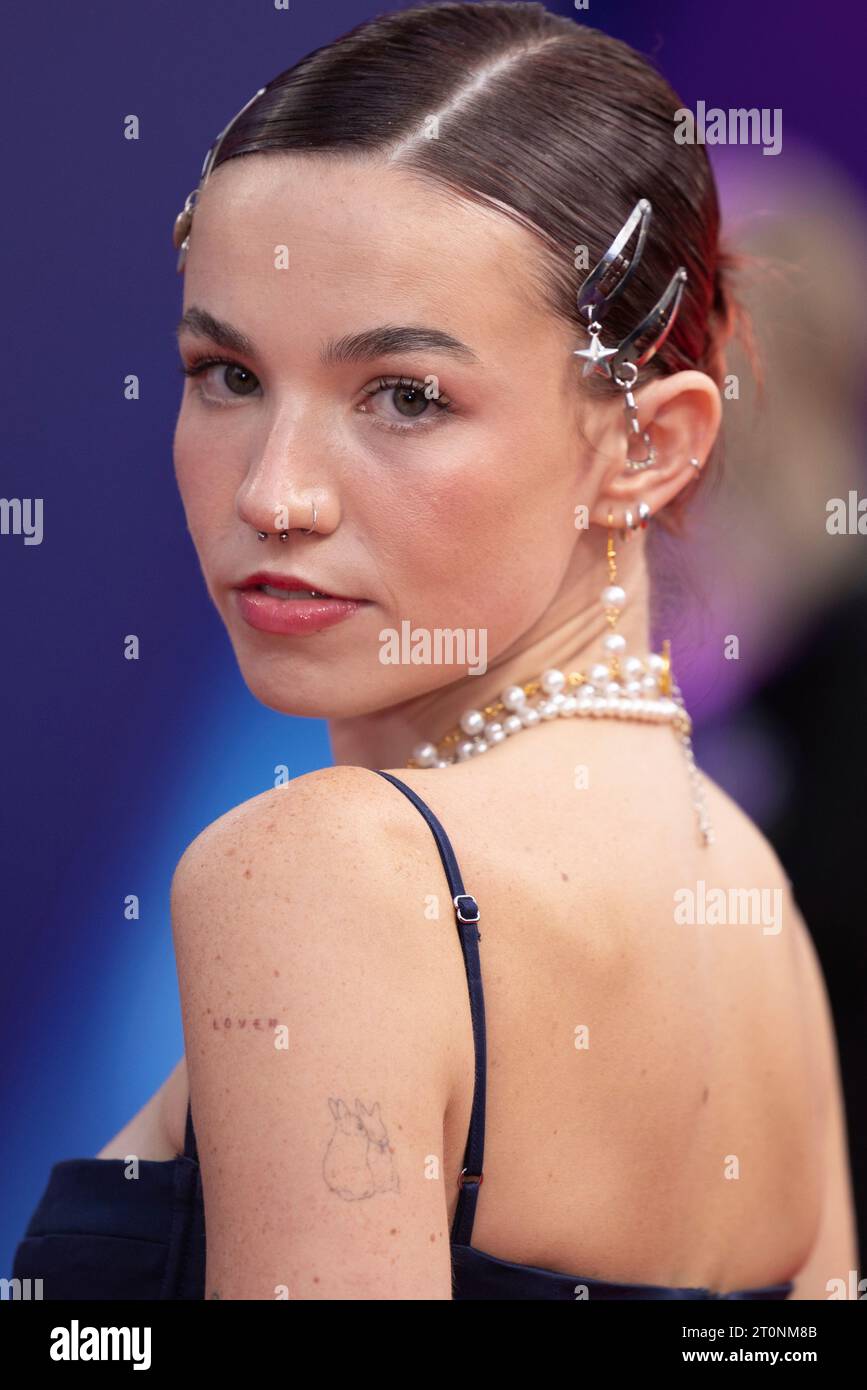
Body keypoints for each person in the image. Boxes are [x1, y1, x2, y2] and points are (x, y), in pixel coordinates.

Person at [13, 1, 857, 1300]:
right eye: (226, 374)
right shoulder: (758, 923)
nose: (275, 492)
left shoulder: (326, 871)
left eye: (406, 395)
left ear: (650, 444)